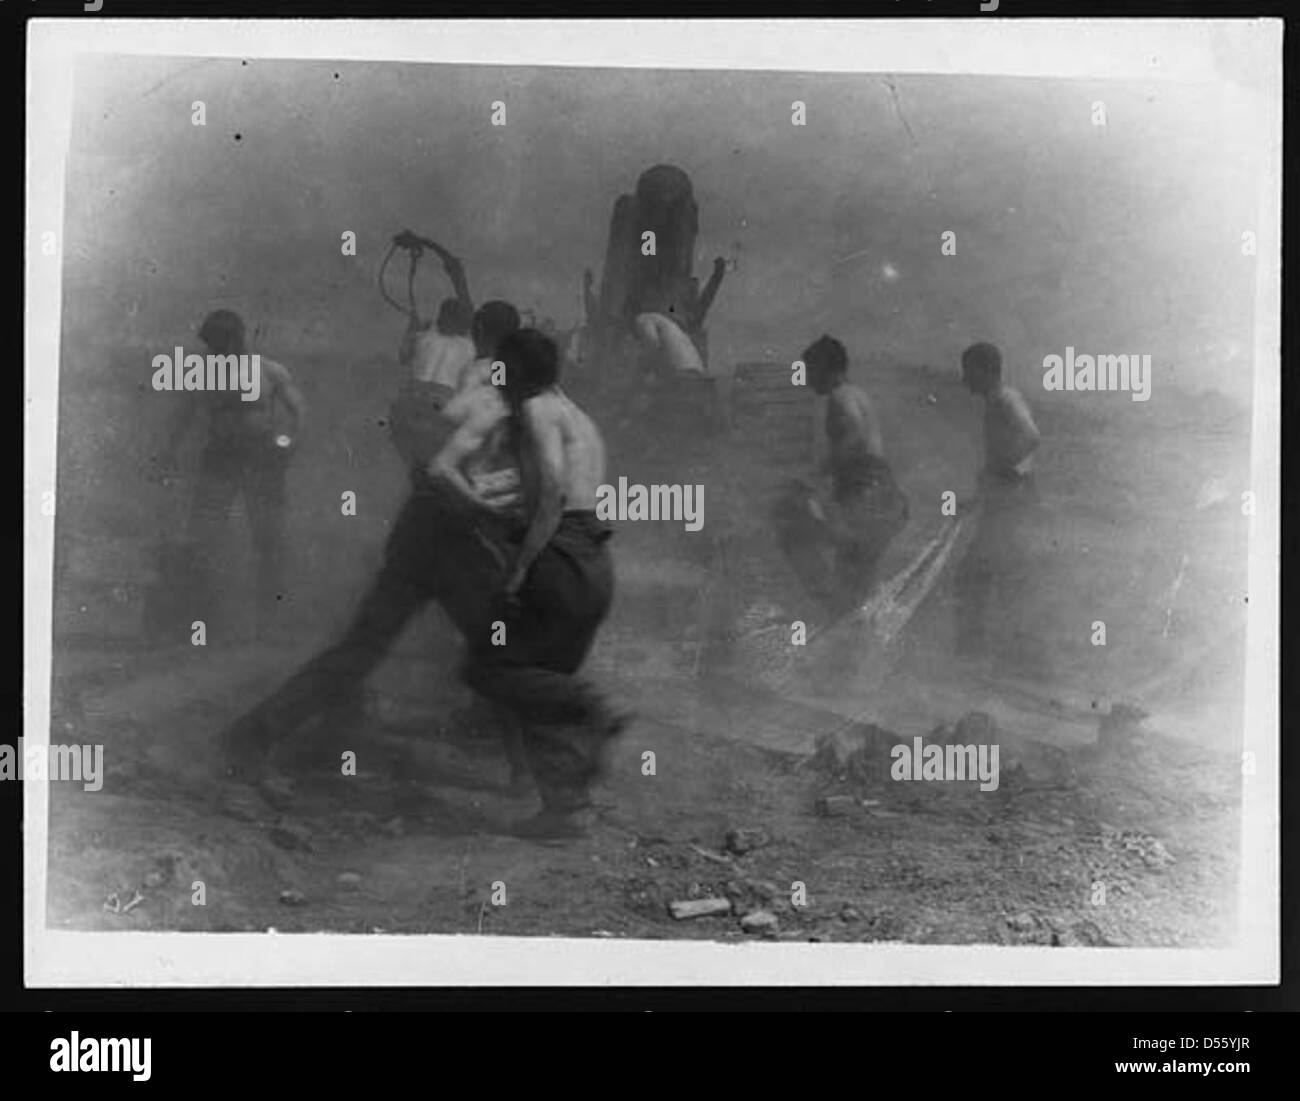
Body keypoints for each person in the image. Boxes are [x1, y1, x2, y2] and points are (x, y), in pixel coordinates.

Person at [217, 301, 525, 792]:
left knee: (364, 650)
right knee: (499, 651)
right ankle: (534, 776)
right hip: (447, 534)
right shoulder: (493, 382)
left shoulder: (484, 379)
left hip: (434, 529)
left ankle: (250, 739)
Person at [459, 328, 626, 840]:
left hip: (559, 555)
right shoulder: (580, 416)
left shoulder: (535, 411)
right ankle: (567, 808)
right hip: (594, 560)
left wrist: (520, 566)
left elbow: (552, 493)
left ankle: (589, 702)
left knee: (489, 667)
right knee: (539, 693)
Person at [159, 309, 305, 639]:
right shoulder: (201, 373)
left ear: (236, 339)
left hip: (260, 456)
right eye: (214, 345)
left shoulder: (269, 370)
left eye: (222, 342)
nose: (217, 350)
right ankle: (206, 618)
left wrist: (289, 445)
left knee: (267, 539)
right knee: (205, 537)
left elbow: (298, 412)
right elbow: (183, 416)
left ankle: (270, 623)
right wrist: (167, 453)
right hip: (221, 457)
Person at [773, 334, 909, 616]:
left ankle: (839, 620)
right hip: (882, 490)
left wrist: (814, 477)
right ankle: (853, 628)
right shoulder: (858, 394)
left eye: (809, 371)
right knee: (856, 580)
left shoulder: (839, 397)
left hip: (865, 492)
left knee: (792, 525)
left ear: (825, 368)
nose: (807, 380)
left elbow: (855, 435)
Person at [952, 341, 1041, 659]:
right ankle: (1008, 654)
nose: (965, 379)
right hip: (1007, 501)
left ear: (985, 370)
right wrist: (976, 499)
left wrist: (1005, 471)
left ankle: (975, 654)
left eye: (969, 371)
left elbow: (1031, 436)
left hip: (1011, 502)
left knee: (975, 577)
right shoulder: (998, 400)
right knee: (994, 578)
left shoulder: (1004, 399)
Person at [389, 241, 477, 479]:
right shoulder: (469, 344)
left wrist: (411, 330)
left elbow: (402, 357)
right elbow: (457, 272)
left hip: (405, 406)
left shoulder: (422, 336)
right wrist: (426, 242)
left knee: (419, 470)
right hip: (440, 406)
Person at [630, 256, 727, 377]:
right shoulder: (675, 311)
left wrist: (718, 274)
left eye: (694, 290)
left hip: (686, 369)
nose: (694, 292)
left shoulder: (690, 313)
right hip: (687, 368)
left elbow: (708, 295)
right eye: (690, 290)